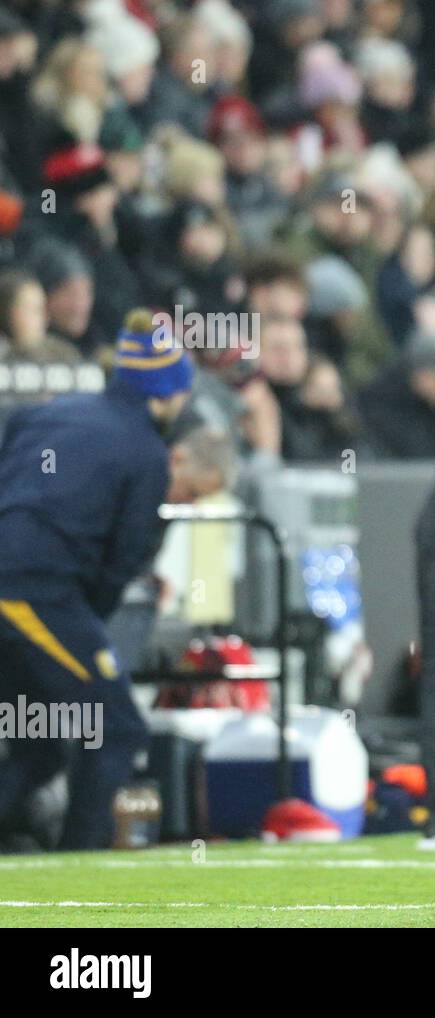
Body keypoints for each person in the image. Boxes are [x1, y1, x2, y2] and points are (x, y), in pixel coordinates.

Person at [0, 307, 193, 850]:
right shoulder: (147, 452)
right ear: (167, 392)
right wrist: (89, 625)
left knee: (35, 743)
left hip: (20, 586)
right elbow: (122, 562)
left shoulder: (45, 415)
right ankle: (81, 859)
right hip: (34, 593)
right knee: (116, 725)